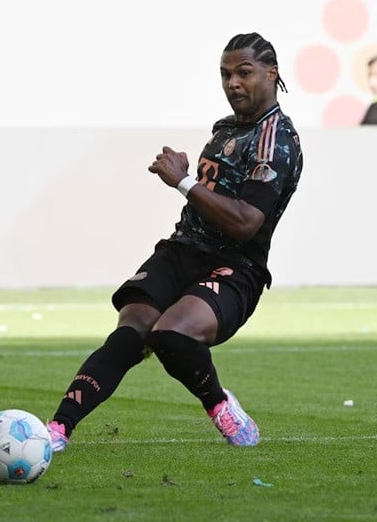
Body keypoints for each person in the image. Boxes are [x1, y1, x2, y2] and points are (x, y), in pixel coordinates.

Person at [45, 32, 303, 452]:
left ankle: (219, 404)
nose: (232, 83)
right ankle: (56, 430)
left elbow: (245, 222)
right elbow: (214, 195)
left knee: (171, 334)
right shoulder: (225, 128)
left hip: (236, 265)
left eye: (244, 72)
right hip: (183, 249)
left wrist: (183, 181)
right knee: (130, 335)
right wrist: (191, 175)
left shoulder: (278, 140)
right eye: (225, 74)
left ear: (272, 73)